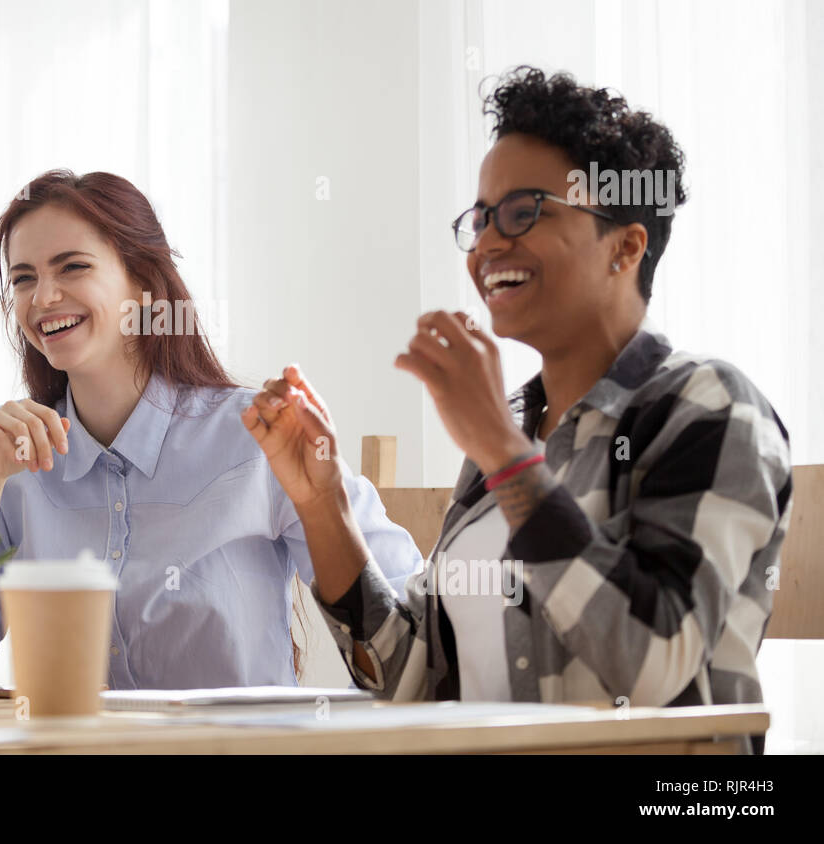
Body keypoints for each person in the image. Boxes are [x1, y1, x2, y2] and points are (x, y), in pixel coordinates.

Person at [243, 67, 791, 754]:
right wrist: (321, 503)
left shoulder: (707, 407)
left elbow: (655, 669)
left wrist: (506, 455)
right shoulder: (507, 432)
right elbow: (412, 679)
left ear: (625, 246)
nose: (488, 244)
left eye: (525, 211)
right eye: (481, 218)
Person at [0, 169, 422, 689]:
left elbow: (408, 637)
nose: (42, 298)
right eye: (23, 278)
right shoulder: (5, 455)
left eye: (73, 267)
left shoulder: (258, 436)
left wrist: (325, 501)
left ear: (146, 286)